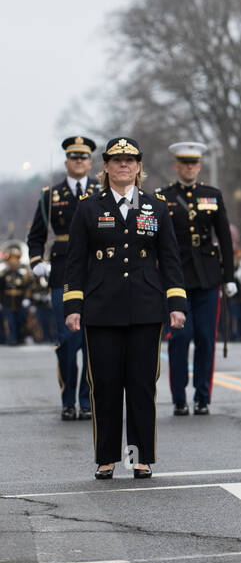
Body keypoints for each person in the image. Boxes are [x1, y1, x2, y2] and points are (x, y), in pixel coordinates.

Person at [63, 137, 188, 480]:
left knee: (141, 386)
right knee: (104, 385)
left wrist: (176, 303)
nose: (123, 165)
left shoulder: (156, 207)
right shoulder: (89, 207)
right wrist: (73, 306)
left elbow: (171, 259)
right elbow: (75, 262)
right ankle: (106, 458)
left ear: (138, 167)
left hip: (146, 309)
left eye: (130, 160)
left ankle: (139, 457)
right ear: (105, 166)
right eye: (116, 160)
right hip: (101, 309)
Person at [28, 136, 101, 420]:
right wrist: (36, 262)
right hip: (62, 272)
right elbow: (35, 236)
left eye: (84, 157)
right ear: (66, 161)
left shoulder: (100, 191)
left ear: (90, 161)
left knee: (91, 340)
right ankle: (67, 398)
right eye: (75, 157)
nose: (80, 161)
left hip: (95, 272)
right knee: (67, 340)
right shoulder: (51, 195)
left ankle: (85, 400)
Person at [163, 142, 237, 416]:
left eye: (193, 163)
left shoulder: (212, 195)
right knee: (180, 338)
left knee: (206, 337)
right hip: (178, 277)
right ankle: (179, 397)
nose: (189, 168)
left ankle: (202, 396)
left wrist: (229, 276)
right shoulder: (164, 197)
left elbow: (225, 241)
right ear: (177, 166)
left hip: (207, 277)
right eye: (184, 163)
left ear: (199, 166)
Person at [0, 246, 34, 345]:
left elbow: (27, 288)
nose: (13, 263)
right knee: (10, 321)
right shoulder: (4, 275)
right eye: (11, 261)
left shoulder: (23, 275)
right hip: (7, 301)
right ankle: (12, 339)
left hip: (20, 301)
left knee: (20, 321)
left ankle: (20, 338)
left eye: (15, 260)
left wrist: (27, 299)